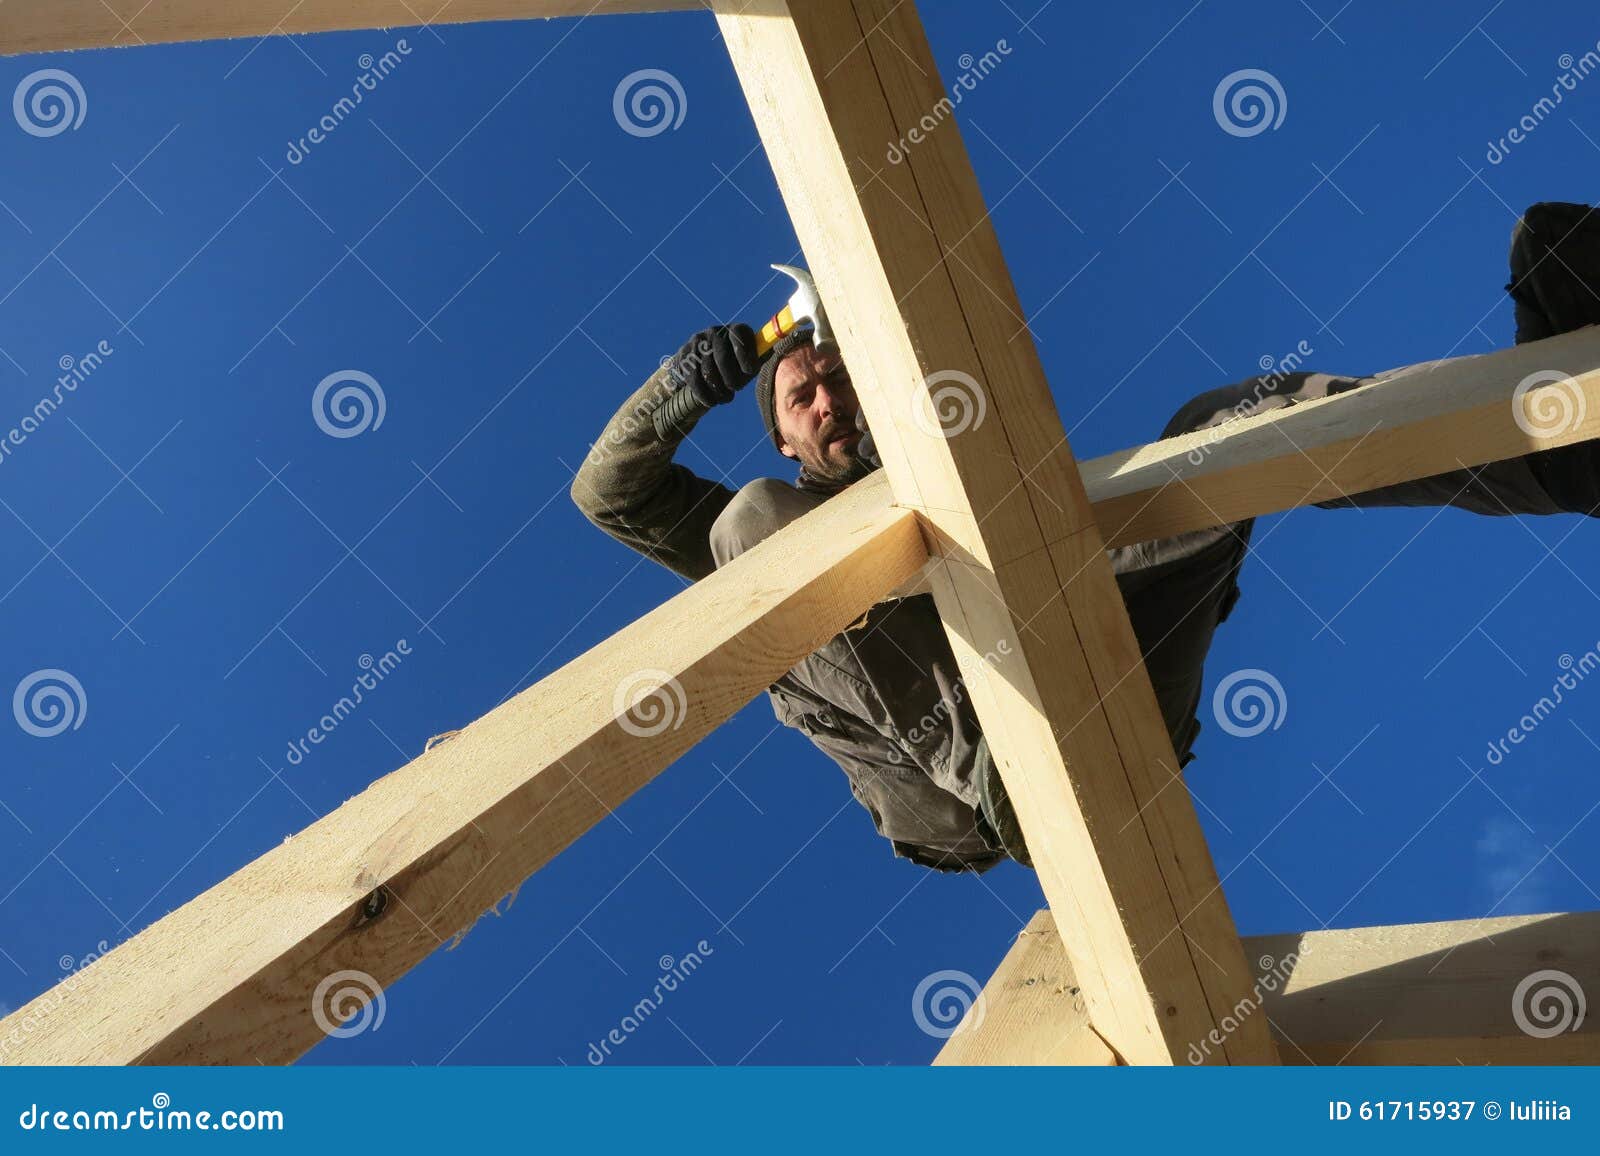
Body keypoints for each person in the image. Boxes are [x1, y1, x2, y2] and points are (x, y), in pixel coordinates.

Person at [571, 201, 1600, 873]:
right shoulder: (766, 520)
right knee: (753, 528)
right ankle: (996, 758)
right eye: (800, 395)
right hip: (972, 781)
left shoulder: (935, 463)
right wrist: (687, 384)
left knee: (1220, 428)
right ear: (784, 432)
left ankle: (1544, 437)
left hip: (1098, 660)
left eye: (836, 376)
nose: (825, 397)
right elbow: (608, 496)